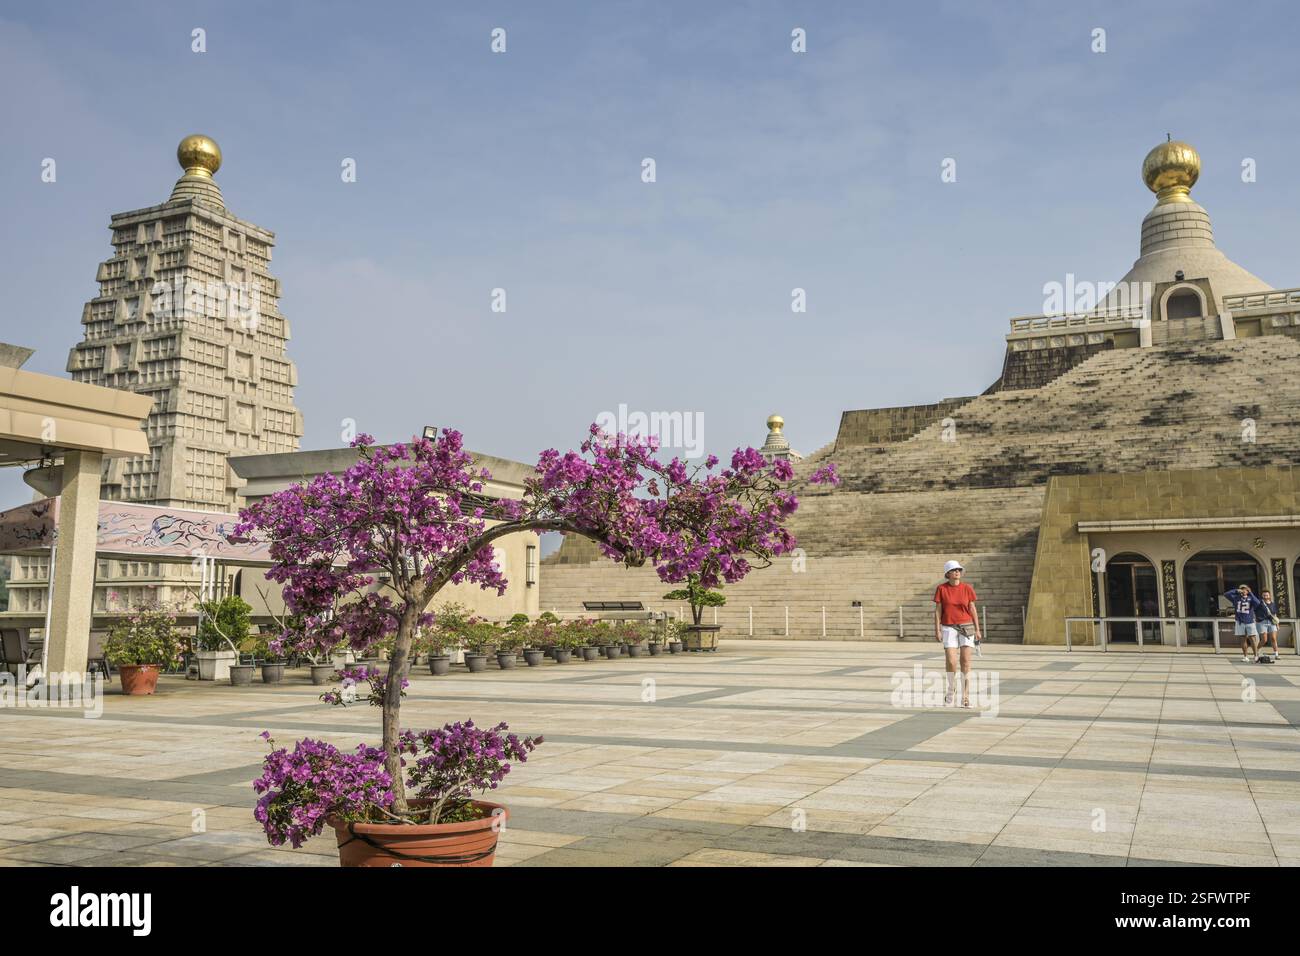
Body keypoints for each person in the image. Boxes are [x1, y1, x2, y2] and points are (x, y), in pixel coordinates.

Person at [934, 560, 980, 707]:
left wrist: (978, 629)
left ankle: (965, 696)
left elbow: (972, 609)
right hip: (948, 627)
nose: (957, 572)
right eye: (954, 570)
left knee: (966, 662)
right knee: (951, 661)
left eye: (959, 570)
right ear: (947, 573)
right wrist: (937, 629)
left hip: (967, 627)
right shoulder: (941, 589)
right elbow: (938, 610)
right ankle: (950, 689)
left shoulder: (967, 588)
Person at [1223, 584, 1265, 663]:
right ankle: (1245, 656)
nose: (1243, 590)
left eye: (1245, 589)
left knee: (1252, 638)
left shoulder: (1250, 598)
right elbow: (1226, 594)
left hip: (1249, 621)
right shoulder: (1236, 598)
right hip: (1239, 621)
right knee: (1243, 639)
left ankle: (1256, 655)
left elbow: (1258, 603)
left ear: (1247, 590)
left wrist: (1251, 593)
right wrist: (1236, 590)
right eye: (1242, 589)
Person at [1257, 590, 1280, 660]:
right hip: (1263, 622)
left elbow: (1274, 615)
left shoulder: (1273, 604)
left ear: (1269, 596)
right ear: (1262, 596)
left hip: (1272, 622)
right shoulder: (1259, 603)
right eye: (1264, 595)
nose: (1265, 596)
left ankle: (1276, 654)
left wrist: (1277, 624)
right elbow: (1254, 611)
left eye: (1267, 595)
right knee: (1264, 640)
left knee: (1273, 638)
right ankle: (1256, 650)